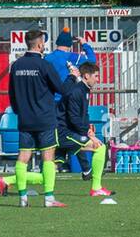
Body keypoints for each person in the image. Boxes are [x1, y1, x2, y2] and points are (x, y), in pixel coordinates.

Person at [7, 28, 66, 208]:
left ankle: (23, 197)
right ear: (40, 44)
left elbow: (12, 94)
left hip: (25, 119)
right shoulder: (45, 65)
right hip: (45, 119)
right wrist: (72, 78)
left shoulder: (16, 66)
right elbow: (60, 89)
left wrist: (19, 111)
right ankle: (48, 198)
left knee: (23, 156)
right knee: (48, 156)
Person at [40, 61, 113, 198]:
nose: (98, 79)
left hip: (67, 132)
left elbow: (81, 115)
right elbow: (74, 118)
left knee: (49, 171)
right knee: (100, 147)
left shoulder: (83, 90)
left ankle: (7, 180)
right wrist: (90, 136)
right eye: (96, 76)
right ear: (86, 76)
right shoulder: (76, 92)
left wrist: (89, 130)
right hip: (62, 133)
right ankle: (96, 188)